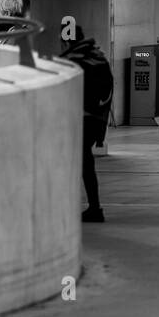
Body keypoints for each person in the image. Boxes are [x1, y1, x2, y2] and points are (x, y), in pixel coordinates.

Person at [59, 24, 114, 223]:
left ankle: (89, 207)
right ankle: (94, 207)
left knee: (77, 163)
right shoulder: (99, 56)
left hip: (80, 118)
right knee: (85, 162)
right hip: (97, 118)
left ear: (65, 40)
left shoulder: (72, 61)